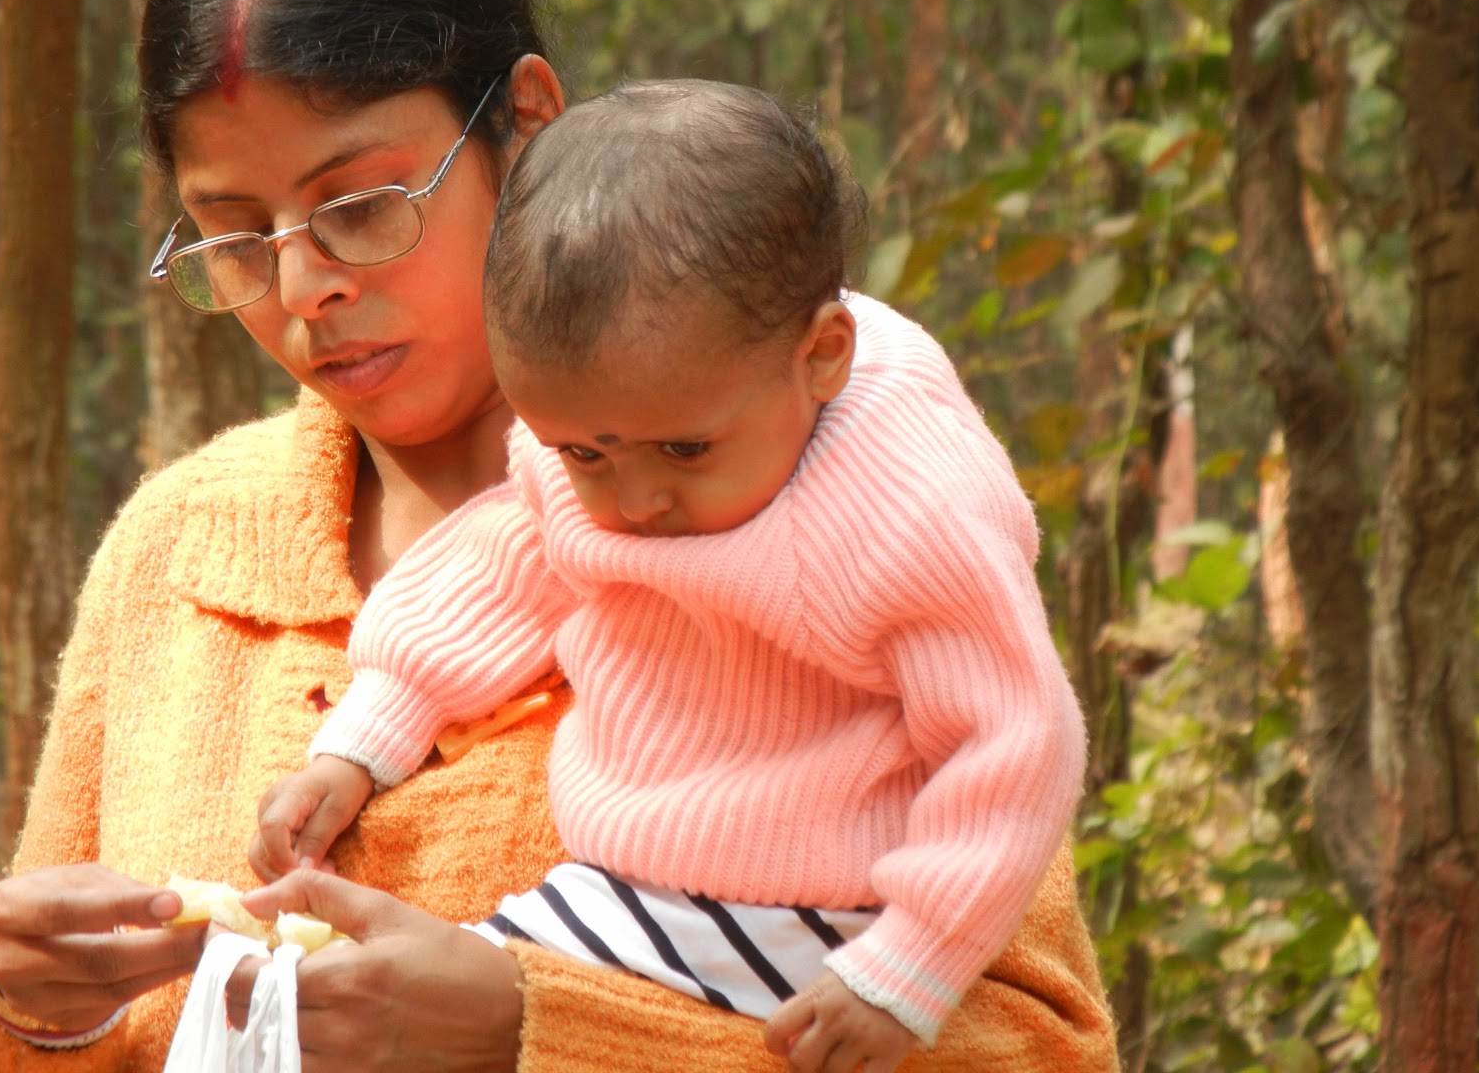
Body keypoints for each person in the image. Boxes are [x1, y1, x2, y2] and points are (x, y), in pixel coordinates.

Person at [0, 0, 1119, 1070]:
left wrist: (532, 1032)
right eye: (237, 236)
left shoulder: (823, 495)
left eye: (361, 205)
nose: (304, 292)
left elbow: (1034, 1045)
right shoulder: (177, 554)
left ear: (529, 121)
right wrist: (34, 1008)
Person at [254, 79, 1088, 1073]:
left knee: (399, 1034)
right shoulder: (630, 424)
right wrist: (367, 738)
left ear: (821, 355)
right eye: (582, 455)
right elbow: (514, 555)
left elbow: (1011, 740)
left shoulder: (906, 513)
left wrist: (906, 967)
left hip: (815, 905)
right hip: (631, 877)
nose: (634, 500)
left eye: (684, 452)